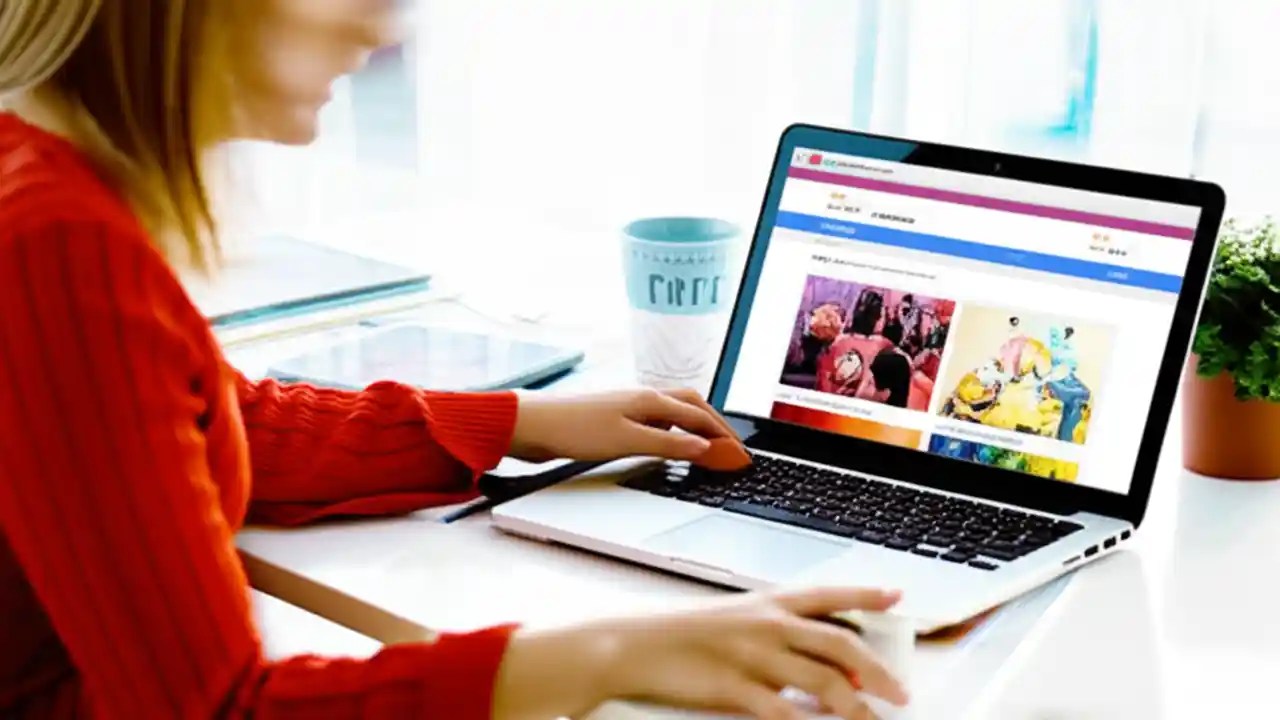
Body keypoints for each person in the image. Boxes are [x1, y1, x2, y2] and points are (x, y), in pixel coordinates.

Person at [0, 2, 910, 719]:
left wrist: (523, 425)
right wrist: (612, 655)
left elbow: (199, 424)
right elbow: (218, 710)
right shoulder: (63, 250)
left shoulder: (35, 176)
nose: (381, 25)